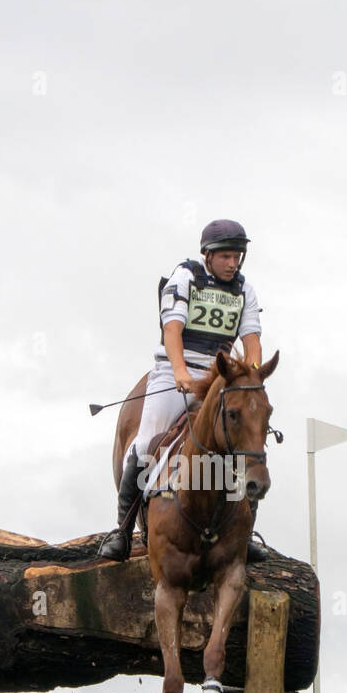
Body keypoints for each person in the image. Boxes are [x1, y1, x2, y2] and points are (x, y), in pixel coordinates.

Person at [97, 218, 271, 562]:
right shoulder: (185, 277)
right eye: (225, 256)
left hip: (221, 375)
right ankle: (123, 531)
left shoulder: (245, 290)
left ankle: (245, 534)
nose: (232, 263)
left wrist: (248, 380)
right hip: (175, 369)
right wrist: (179, 371)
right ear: (207, 255)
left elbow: (252, 344)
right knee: (146, 441)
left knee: (247, 441)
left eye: (237, 256)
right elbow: (172, 329)